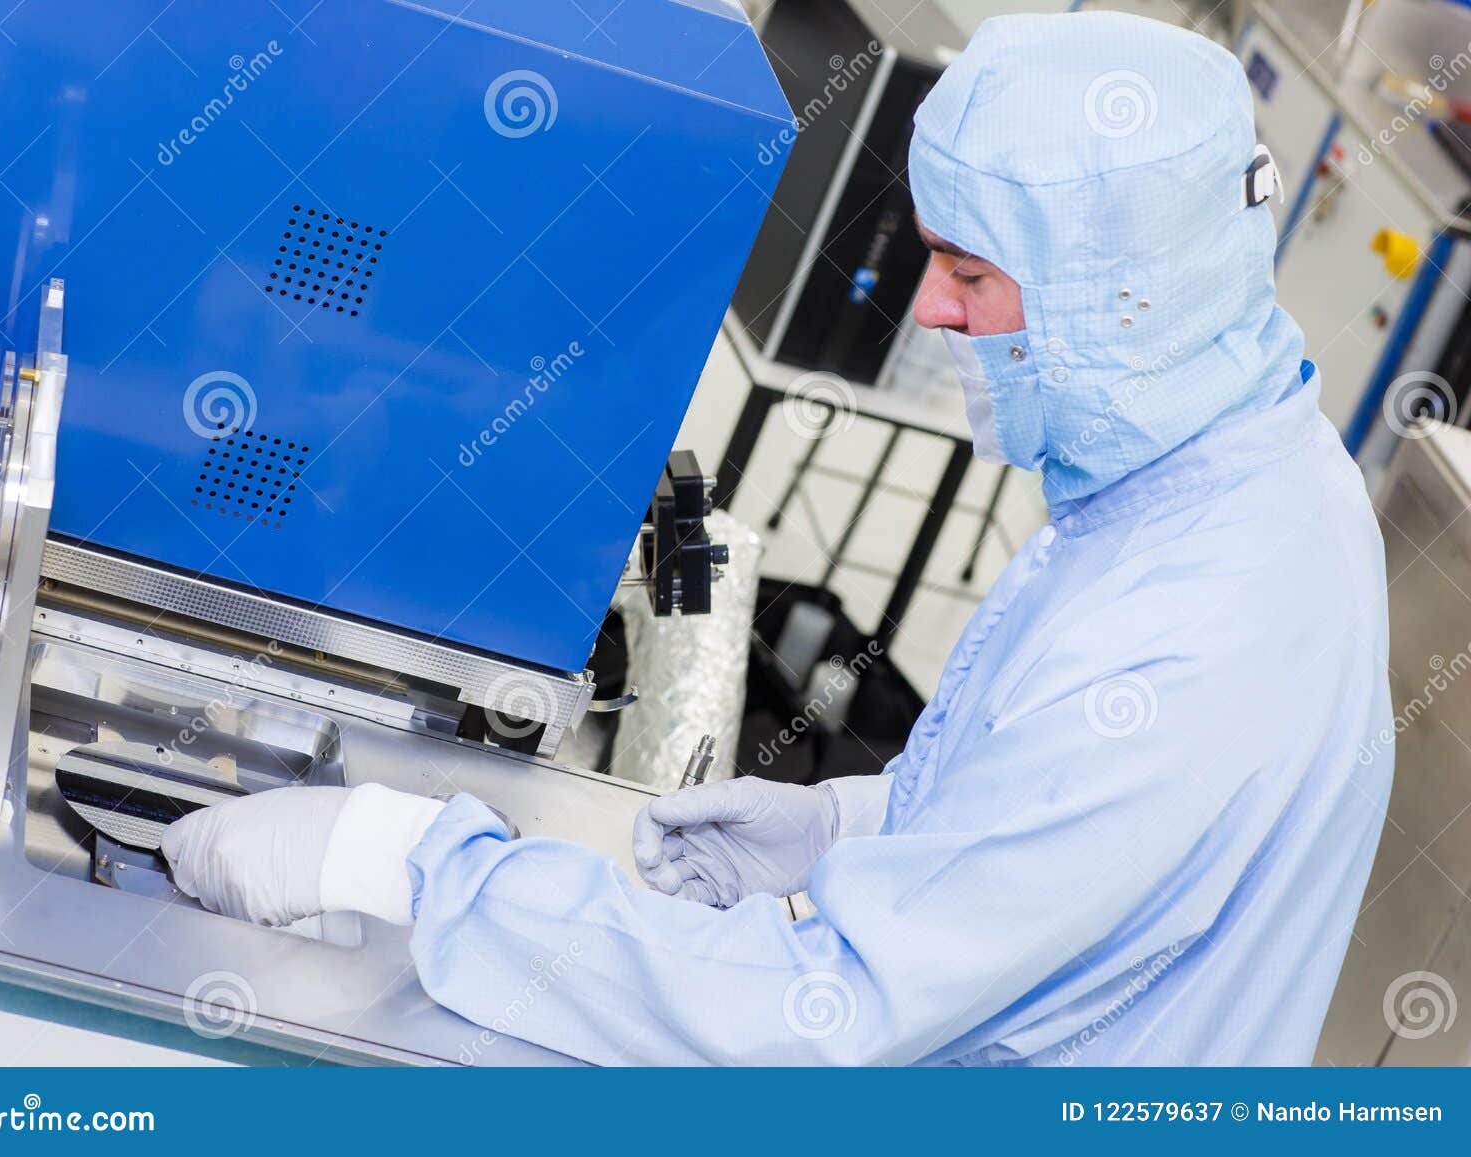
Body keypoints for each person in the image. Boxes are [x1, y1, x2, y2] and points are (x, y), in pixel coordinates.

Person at [162, 12, 1393, 1065]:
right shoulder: (1199, 479)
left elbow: (832, 1019)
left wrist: (412, 866)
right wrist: (854, 828)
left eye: (968, 273)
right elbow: (1050, 830)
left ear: (1125, 295)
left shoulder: (1198, 623)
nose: (926, 306)